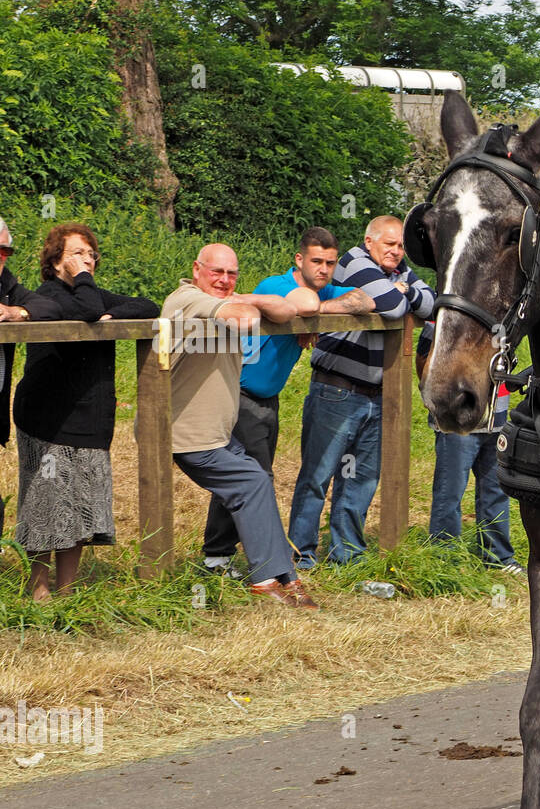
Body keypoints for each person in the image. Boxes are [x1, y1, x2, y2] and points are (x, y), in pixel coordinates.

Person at [202, 227, 375, 575]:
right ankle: (239, 558)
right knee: (252, 478)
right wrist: (311, 314)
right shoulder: (275, 285)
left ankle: (223, 555)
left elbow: (366, 300)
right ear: (299, 259)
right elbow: (307, 303)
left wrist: (316, 315)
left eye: (330, 263)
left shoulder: (320, 291)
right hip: (240, 394)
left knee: (249, 476)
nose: (324, 270)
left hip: (268, 398)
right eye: (316, 261)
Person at [161, 243, 319, 607]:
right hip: (185, 433)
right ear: (196, 269)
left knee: (257, 480)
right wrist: (247, 302)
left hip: (218, 433)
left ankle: (284, 576)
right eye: (217, 272)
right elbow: (245, 320)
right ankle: (267, 578)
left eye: (232, 273)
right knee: (251, 482)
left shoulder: (229, 298)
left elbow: (289, 308)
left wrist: (247, 296)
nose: (224, 280)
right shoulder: (186, 298)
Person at [14, 223, 157, 599]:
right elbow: (89, 308)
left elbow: (147, 305)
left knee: (78, 508)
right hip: (48, 420)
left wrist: (110, 316)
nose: (87, 260)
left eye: (91, 254)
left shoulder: (90, 295)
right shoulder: (48, 296)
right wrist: (90, 292)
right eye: (77, 253)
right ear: (55, 260)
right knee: (46, 506)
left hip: (91, 421)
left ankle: (68, 591)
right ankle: (38, 591)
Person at [287, 215, 435, 567]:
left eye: (401, 246)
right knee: (318, 475)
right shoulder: (354, 262)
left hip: (377, 394)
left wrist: (405, 289)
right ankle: (300, 553)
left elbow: (432, 303)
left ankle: (346, 553)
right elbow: (394, 307)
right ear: (369, 242)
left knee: (361, 479)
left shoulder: (397, 272)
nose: (397, 252)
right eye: (390, 244)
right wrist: (402, 293)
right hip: (337, 389)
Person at [419, 325, 521, 573]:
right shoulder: (446, 317)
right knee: (450, 491)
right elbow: (424, 357)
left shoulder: (505, 319)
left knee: (496, 490)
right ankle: (445, 558)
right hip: (456, 421)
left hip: (496, 418)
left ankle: (497, 557)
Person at [0, 215, 59, 536]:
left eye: (5, 252)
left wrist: (16, 312)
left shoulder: (7, 287)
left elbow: (50, 306)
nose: (1, 259)